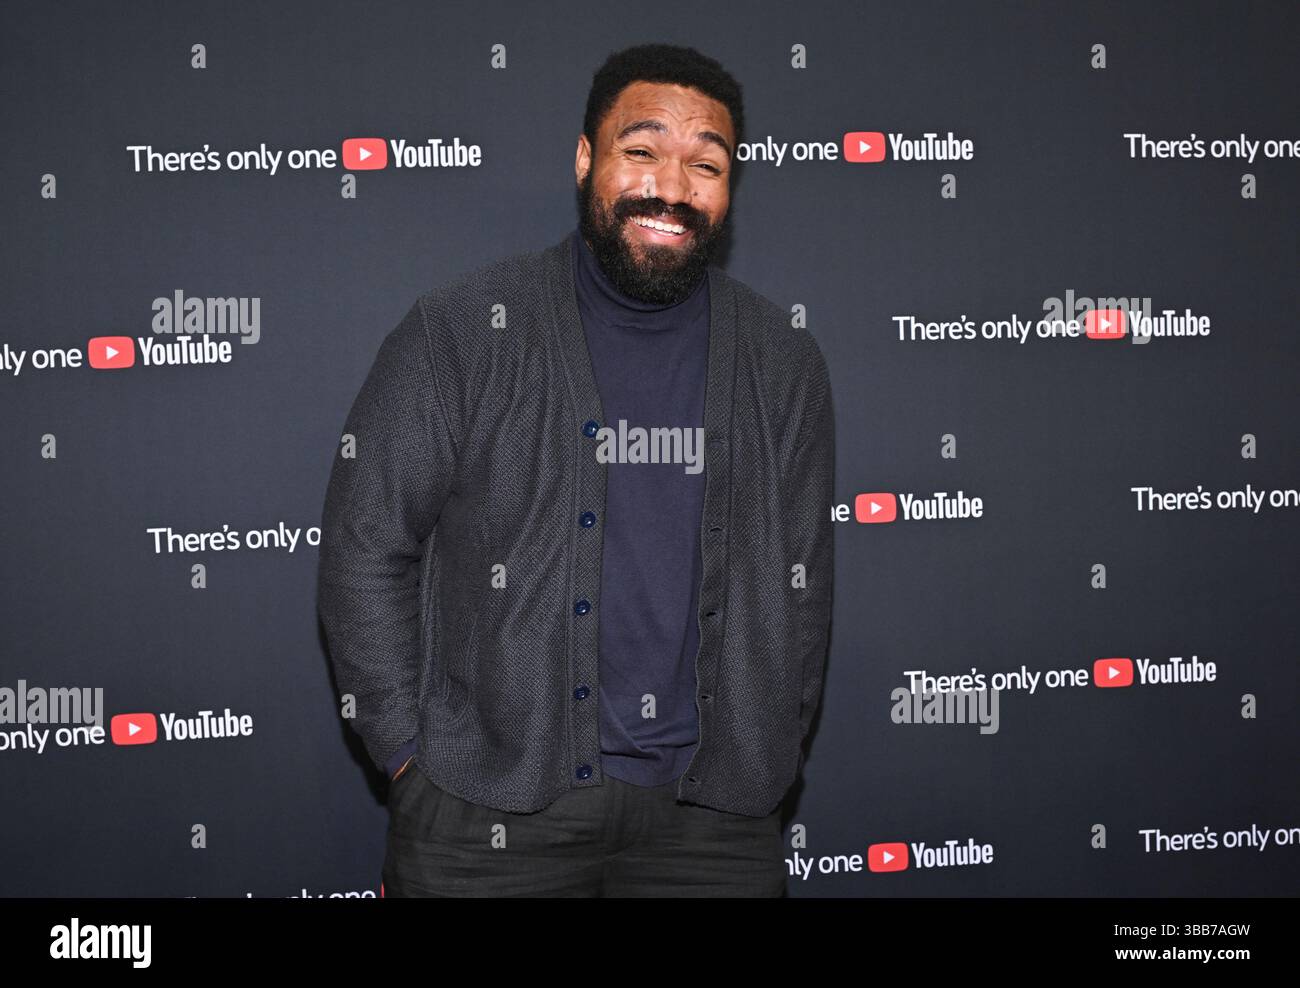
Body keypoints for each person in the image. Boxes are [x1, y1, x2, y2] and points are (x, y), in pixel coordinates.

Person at [317, 42, 834, 897]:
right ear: (586, 157)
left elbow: (801, 588)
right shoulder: (460, 330)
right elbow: (366, 544)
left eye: (706, 164)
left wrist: (769, 739)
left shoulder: (782, 360)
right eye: (642, 152)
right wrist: (409, 753)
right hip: (488, 815)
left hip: (713, 828)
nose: (672, 188)